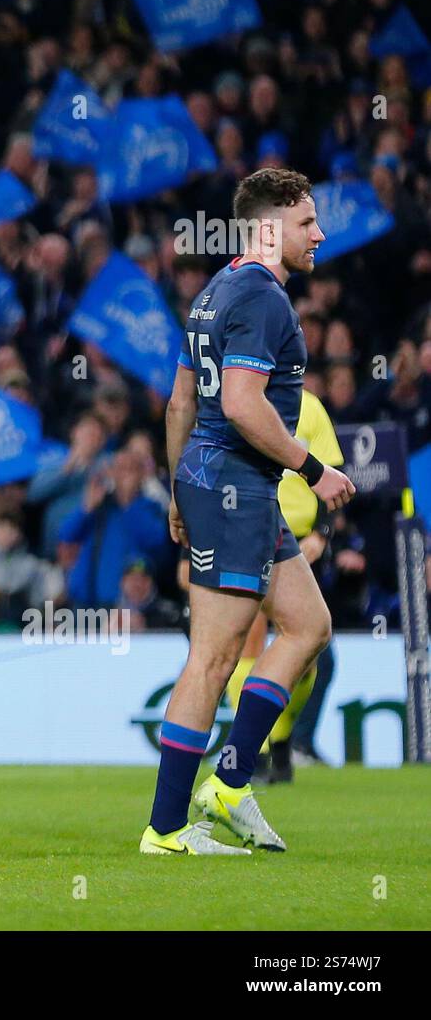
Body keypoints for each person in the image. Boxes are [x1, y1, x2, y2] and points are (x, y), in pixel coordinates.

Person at [142, 169, 355, 855]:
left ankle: (230, 783)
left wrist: (178, 489)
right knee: (213, 656)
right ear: (269, 229)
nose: (319, 233)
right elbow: (238, 402)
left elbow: (181, 402)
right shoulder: (262, 298)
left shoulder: (214, 291)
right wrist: (314, 468)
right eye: (306, 222)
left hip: (221, 485)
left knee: (308, 624)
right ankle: (167, 828)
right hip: (236, 486)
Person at [224, 386, 344, 782]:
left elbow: (334, 479)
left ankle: (281, 741)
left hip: (301, 544)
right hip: (254, 530)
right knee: (251, 644)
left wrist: (323, 535)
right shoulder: (245, 403)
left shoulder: (311, 408)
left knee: (308, 655)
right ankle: (254, 755)